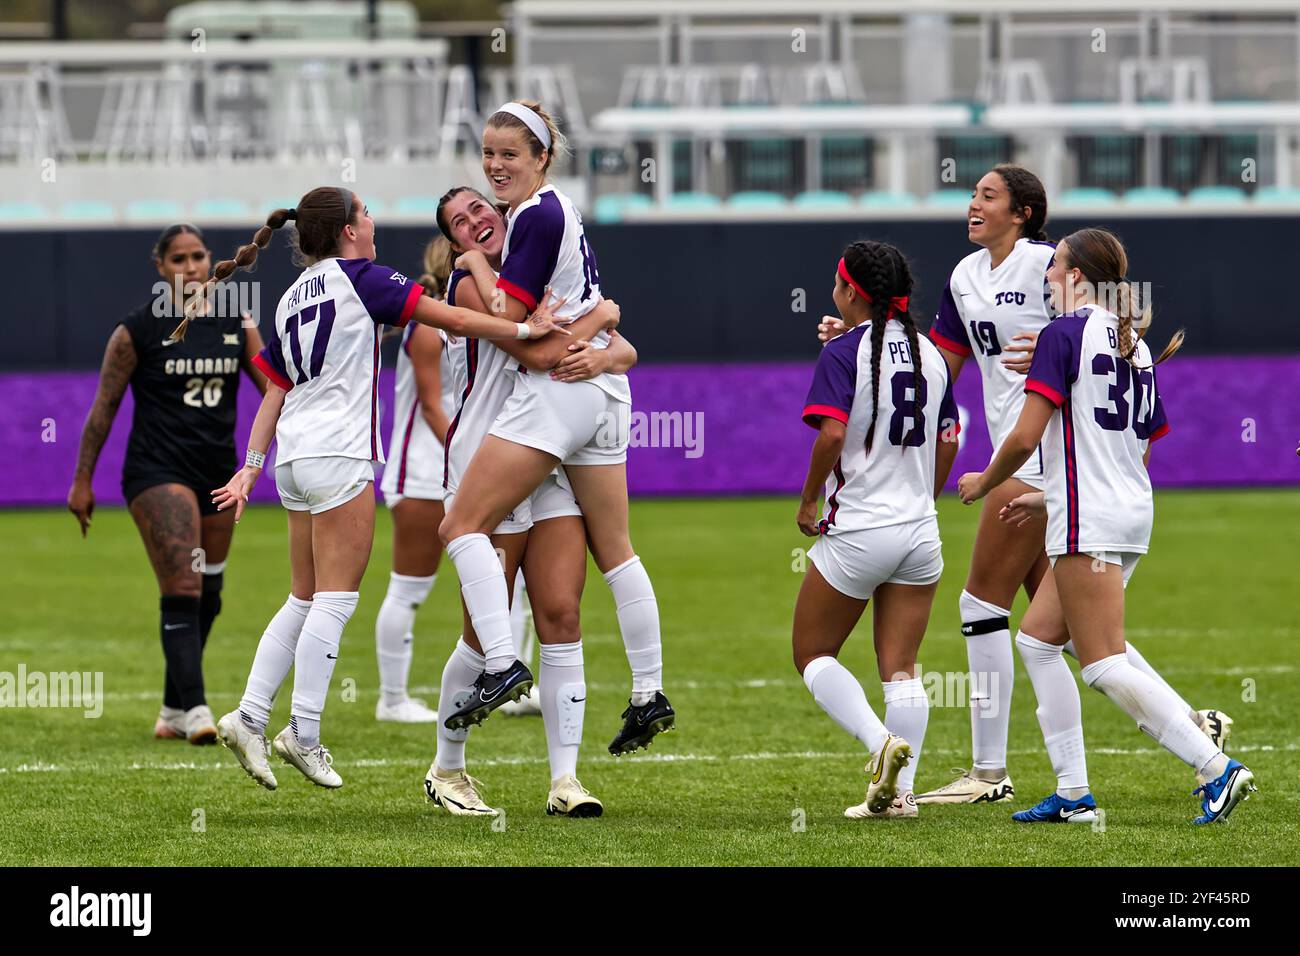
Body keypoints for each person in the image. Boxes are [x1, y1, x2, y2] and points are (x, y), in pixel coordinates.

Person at [201, 186, 566, 791]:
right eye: (364, 212)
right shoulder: (362, 277)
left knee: (302, 598)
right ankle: (305, 732)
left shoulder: (294, 294)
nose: (371, 221)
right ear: (348, 230)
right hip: (339, 454)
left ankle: (248, 716)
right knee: (335, 601)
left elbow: (274, 389)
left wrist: (251, 466)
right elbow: (448, 315)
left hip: (293, 457)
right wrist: (524, 327)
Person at [957, 227, 1256, 825]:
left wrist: (984, 483)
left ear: (1074, 277)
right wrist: (1053, 499)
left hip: (1090, 517)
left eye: (1055, 267)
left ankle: (1213, 766)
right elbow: (1138, 445)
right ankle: (1073, 795)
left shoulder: (1063, 335)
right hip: (1123, 508)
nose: (1045, 275)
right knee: (1039, 642)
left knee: (1099, 662)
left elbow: (1021, 436)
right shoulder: (1133, 344)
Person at [437, 101, 674, 756]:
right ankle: (648, 692)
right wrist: (602, 329)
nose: (495, 165)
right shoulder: (556, 212)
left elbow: (515, 322)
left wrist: (473, 264)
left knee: (459, 526)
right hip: (602, 391)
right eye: (487, 153)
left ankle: (503, 666)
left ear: (542, 157)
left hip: (557, 397)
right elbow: (587, 316)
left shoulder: (536, 215)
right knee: (616, 549)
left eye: (509, 153)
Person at [423, 185, 634, 817]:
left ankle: (565, 782)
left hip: (544, 455)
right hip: (488, 456)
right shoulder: (470, 287)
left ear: (503, 213)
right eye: (459, 223)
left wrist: (606, 343)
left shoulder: (536, 267)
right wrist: (603, 319)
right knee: (477, 633)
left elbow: (622, 353)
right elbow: (541, 350)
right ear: (455, 243)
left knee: (562, 615)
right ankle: (447, 769)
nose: (474, 221)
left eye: (479, 209)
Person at [68, 223, 267, 744]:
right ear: (160, 268)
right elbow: (103, 409)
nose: (190, 267)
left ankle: (172, 709)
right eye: (177, 259)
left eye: (198, 256)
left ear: (209, 260)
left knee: (209, 592)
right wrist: (82, 480)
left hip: (217, 474)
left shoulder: (235, 320)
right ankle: (198, 711)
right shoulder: (135, 330)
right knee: (182, 584)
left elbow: (271, 386)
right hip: (157, 473)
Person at [793, 240, 960, 820]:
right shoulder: (933, 355)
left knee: (812, 653)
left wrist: (810, 497)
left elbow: (833, 436)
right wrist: (923, 496)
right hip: (920, 530)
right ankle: (903, 795)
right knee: (903, 668)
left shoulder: (843, 352)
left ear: (851, 292)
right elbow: (949, 440)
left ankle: (878, 743)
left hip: (861, 527)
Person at [373, 237, 459, 723]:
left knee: (507, 581)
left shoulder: (462, 318)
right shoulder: (431, 324)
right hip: (424, 472)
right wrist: (475, 458)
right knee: (409, 588)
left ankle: (512, 683)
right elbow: (432, 407)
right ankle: (392, 699)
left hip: (456, 468)